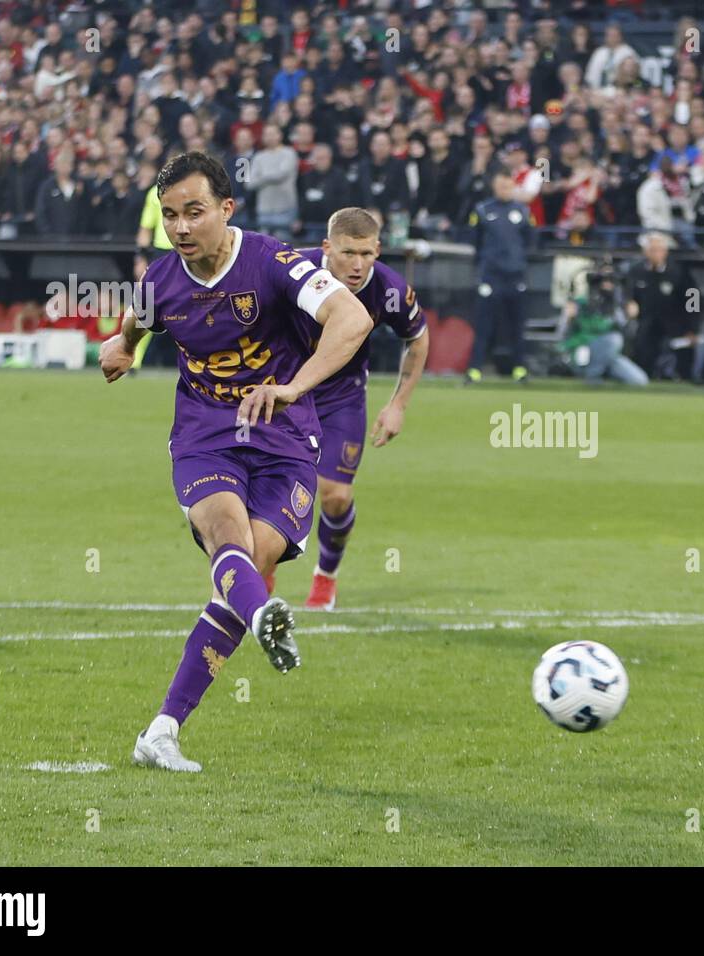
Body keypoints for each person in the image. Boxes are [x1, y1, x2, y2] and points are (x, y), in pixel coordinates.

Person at [97, 152, 372, 772]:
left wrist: (295, 388)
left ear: (226, 209)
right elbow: (136, 320)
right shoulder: (162, 279)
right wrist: (122, 348)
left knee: (253, 563)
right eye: (170, 216)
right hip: (206, 434)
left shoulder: (276, 263)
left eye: (194, 212)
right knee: (229, 533)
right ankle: (265, 613)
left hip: (284, 436)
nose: (182, 227)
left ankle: (161, 730)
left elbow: (351, 319)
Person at [264, 207, 429, 610]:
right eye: (347, 254)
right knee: (270, 485)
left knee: (335, 496)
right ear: (326, 248)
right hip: (286, 389)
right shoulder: (293, 268)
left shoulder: (389, 289)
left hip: (342, 396)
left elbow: (418, 339)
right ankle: (264, 567)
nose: (357, 266)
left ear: (378, 250)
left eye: (367, 255)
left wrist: (397, 406)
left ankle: (325, 577)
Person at [466, 168, 533, 384]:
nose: (505, 189)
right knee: (484, 324)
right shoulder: (483, 210)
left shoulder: (523, 211)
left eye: (508, 185)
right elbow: (474, 241)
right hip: (490, 276)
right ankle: (474, 370)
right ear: (494, 186)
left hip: (515, 275)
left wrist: (520, 261)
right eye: (501, 185)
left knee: (517, 325)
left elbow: (531, 241)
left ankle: (520, 370)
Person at [626, 231, 698, 379]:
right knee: (641, 341)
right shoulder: (636, 271)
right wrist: (629, 302)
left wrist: (693, 327)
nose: (656, 254)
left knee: (683, 348)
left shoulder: (678, 271)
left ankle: (683, 379)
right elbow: (628, 293)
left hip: (675, 321)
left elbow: (693, 296)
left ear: (665, 251)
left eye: (659, 250)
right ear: (645, 252)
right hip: (646, 319)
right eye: (652, 250)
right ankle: (643, 376)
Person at [561, 266, 648, 386]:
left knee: (639, 381)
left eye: (610, 281)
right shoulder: (580, 303)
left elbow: (629, 335)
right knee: (614, 339)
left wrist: (631, 319)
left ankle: (599, 379)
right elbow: (562, 335)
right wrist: (569, 319)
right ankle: (592, 378)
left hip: (610, 355)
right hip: (584, 352)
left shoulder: (618, 309)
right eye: (603, 280)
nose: (607, 284)